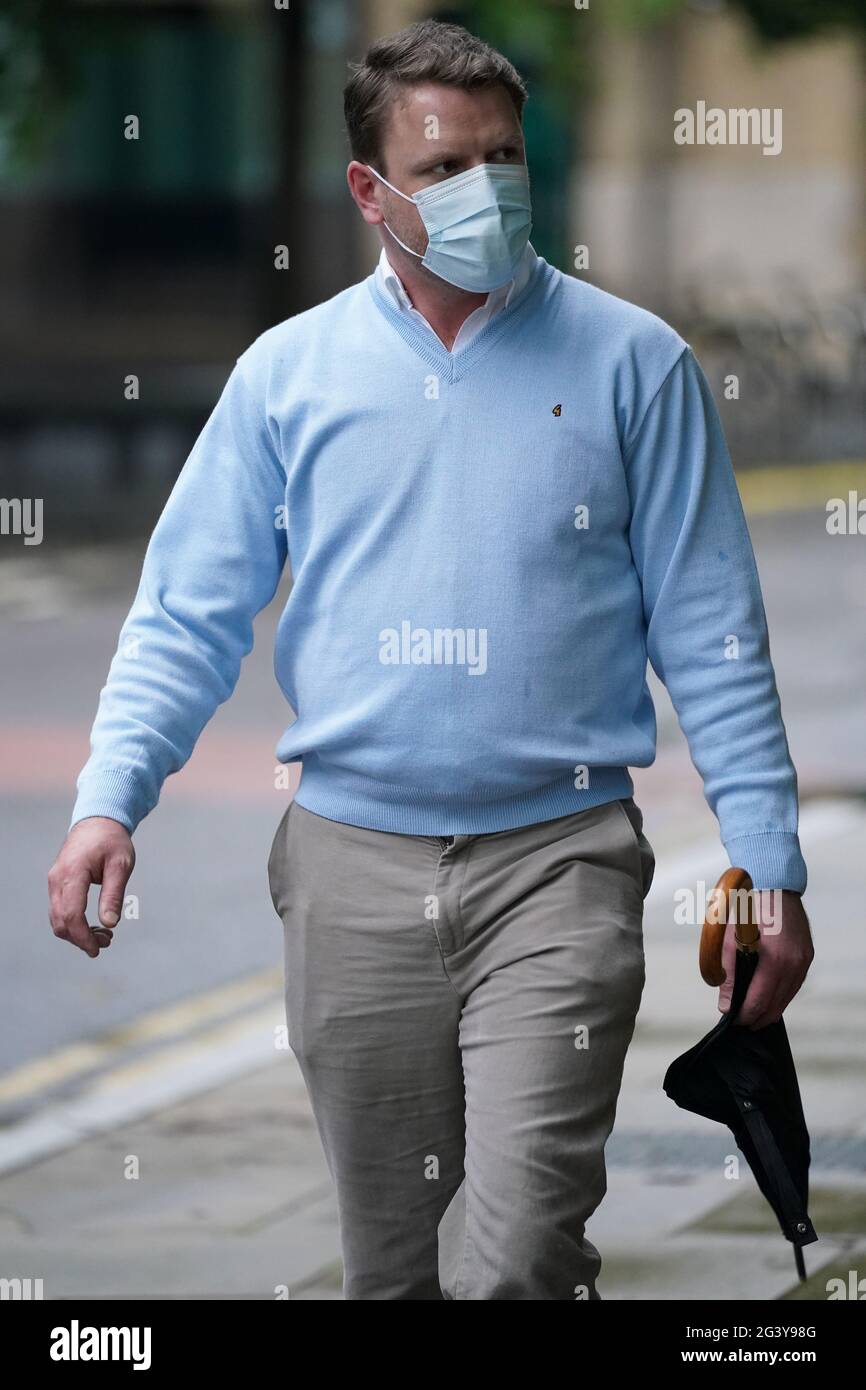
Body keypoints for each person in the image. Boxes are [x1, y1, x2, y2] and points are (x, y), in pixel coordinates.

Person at [48, 19, 814, 1300]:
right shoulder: (288, 377)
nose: (487, 190)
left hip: (559, 867)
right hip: (349, 873)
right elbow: (186, 613)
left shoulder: (636, 365)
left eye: (504, 157)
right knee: (393, 1273)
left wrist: (768, 868)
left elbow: (713, 633)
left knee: (516, 1256)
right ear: (368, 190)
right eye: (447, 166)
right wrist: (107, 800)